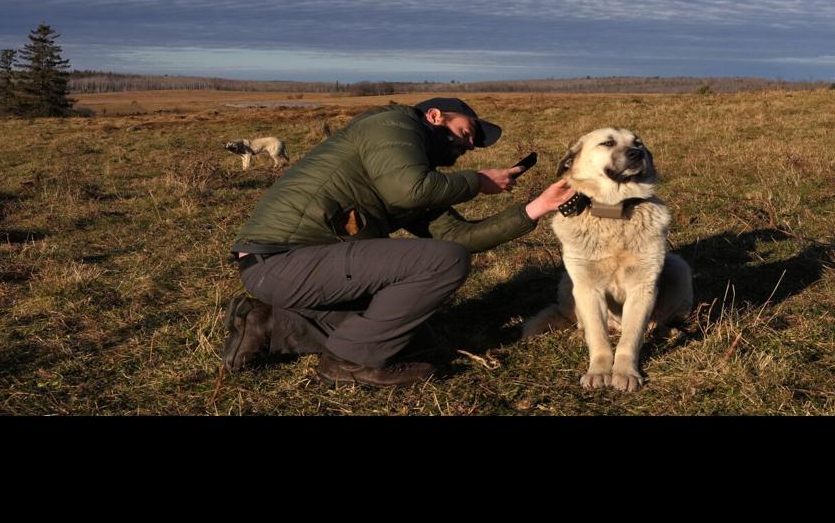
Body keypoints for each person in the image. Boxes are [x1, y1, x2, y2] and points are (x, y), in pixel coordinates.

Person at [219, 97, 576, 386]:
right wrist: (477, 181)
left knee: (414, 335)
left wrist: (538, 207)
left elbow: (459, 237)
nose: (467, 145)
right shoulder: (391, 125)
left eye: (471, 145)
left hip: (302, 268)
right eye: (466, 132)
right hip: (279, 261)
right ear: (434, 116)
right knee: (441, 263)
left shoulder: (414, 173)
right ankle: (348, 361)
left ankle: (270, 325)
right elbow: (408, 191)